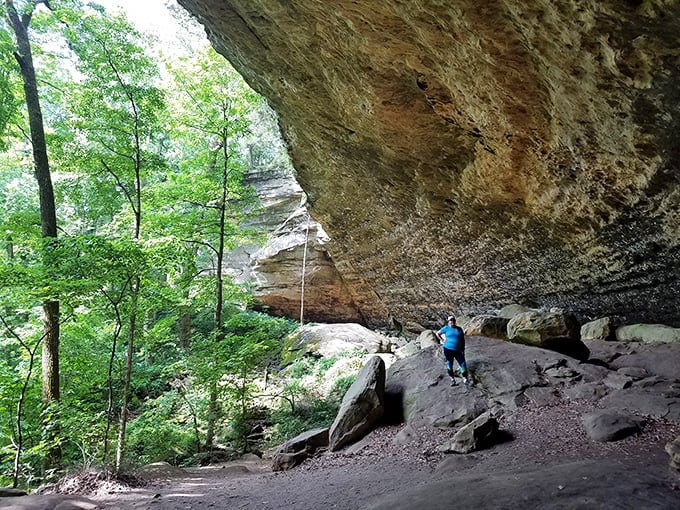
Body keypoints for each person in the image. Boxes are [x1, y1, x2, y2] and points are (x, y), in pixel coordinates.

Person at [436, 315, 470, 386]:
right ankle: (452, 379)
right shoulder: (446, 328)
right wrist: (442, 340)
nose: (452, 322)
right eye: (451, 320)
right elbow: (438, 333)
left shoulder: (459, 329)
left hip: (458, 350)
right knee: (449, 364)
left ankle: (465, 379)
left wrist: (463, 349)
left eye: (453, 320)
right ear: (448, 322)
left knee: (463, 364)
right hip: (448, 349)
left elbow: (462, 339)